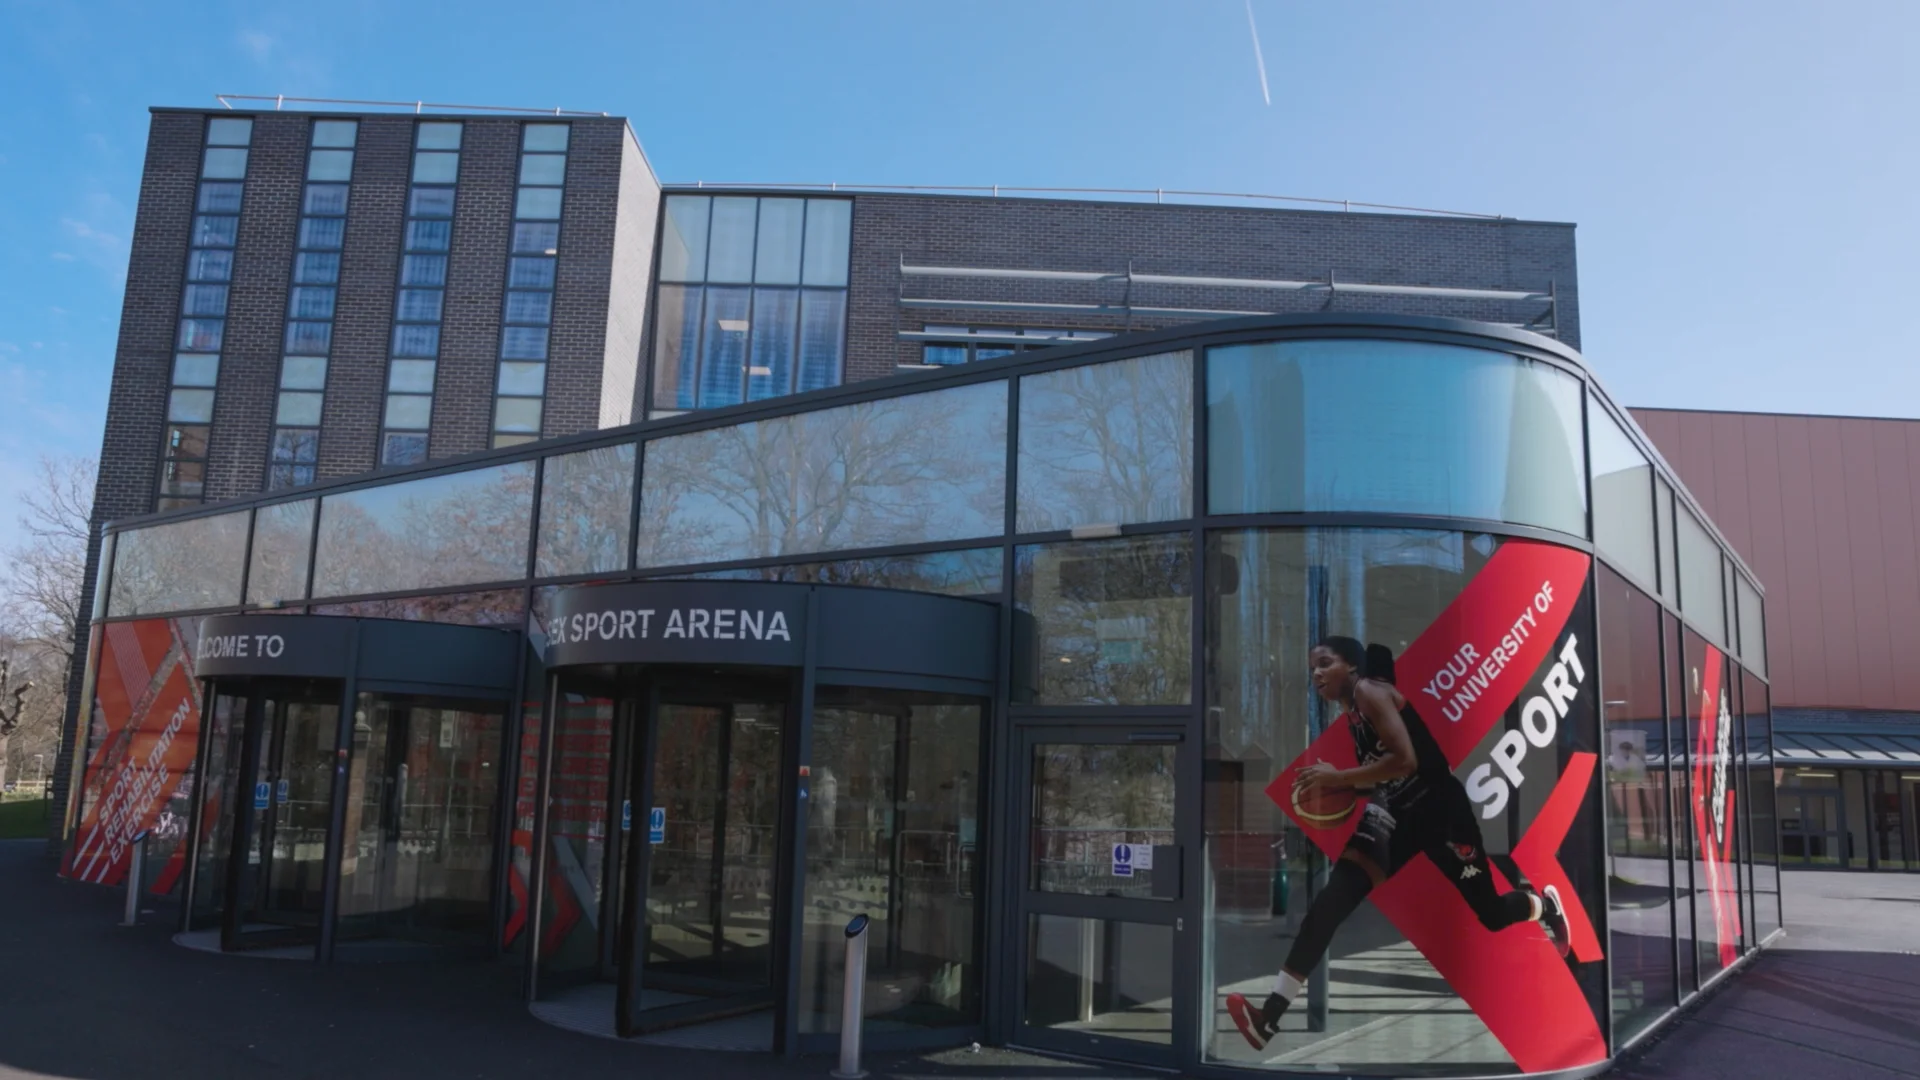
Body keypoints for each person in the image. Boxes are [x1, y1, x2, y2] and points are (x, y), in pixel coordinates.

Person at [1225, 636, 1572, 1052]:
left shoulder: (1370, 691)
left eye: (1324, 663)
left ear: (1351, 667)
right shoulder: (1352, 714)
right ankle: (1269, 1017)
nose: (1315, 673)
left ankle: (1544, 906)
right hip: (1393, 814)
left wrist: (1338, 778)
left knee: (1493, 914)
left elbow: (1406, 760)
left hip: (1439, 811)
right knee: (1329, 905)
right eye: (1311, 668)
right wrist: (1340, 789)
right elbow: (1382, 775)